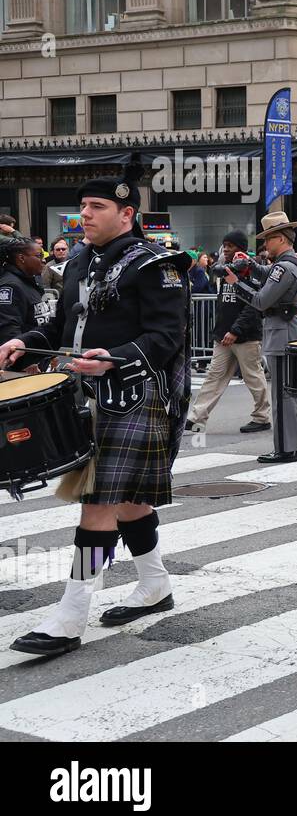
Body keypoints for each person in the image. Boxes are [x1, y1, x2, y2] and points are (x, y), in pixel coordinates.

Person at [0, 163, 192, 657]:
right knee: (127, 499)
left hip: (136, 394)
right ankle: (155, 585)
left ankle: (70, 614)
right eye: (82, 207)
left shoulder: (157, 264)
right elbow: (64, 325)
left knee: (99, 498)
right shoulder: (81, 262)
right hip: (83, 394)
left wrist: (117, 358)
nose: (84, 215)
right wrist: (25, 340)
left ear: (126, 214)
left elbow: (166, 338)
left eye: (96, 207)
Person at [225, 212, 297, 462]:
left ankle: (286, 449)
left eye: (268, 239)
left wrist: (235, 283)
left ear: (281, 239)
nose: (265, 245)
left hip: (282, 335)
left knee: (283, 396)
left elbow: (261, 301)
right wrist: (251, 267)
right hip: (291, 332)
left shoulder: (283, 266)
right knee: (295, 395)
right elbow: (269, 276)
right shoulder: (289, 263)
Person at [185, 231, 272, 435]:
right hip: (223, 335)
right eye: (224, 245)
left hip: (246, 335)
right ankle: (197, 416)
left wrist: (235, 330)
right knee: (214, 376)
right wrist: (221, 330)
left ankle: (262, 417)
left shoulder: (252, 271)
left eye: (231, 245)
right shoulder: (224, 270)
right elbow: (224, 303)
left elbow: (253, 306)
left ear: (240, 248)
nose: (226, 249)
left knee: (253, 377)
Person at [0, 236, 50, 343]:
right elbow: (9, 334)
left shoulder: (34, 280)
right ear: (21, 258)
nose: (44, 260)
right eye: (39, 256)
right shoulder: (10, 286)